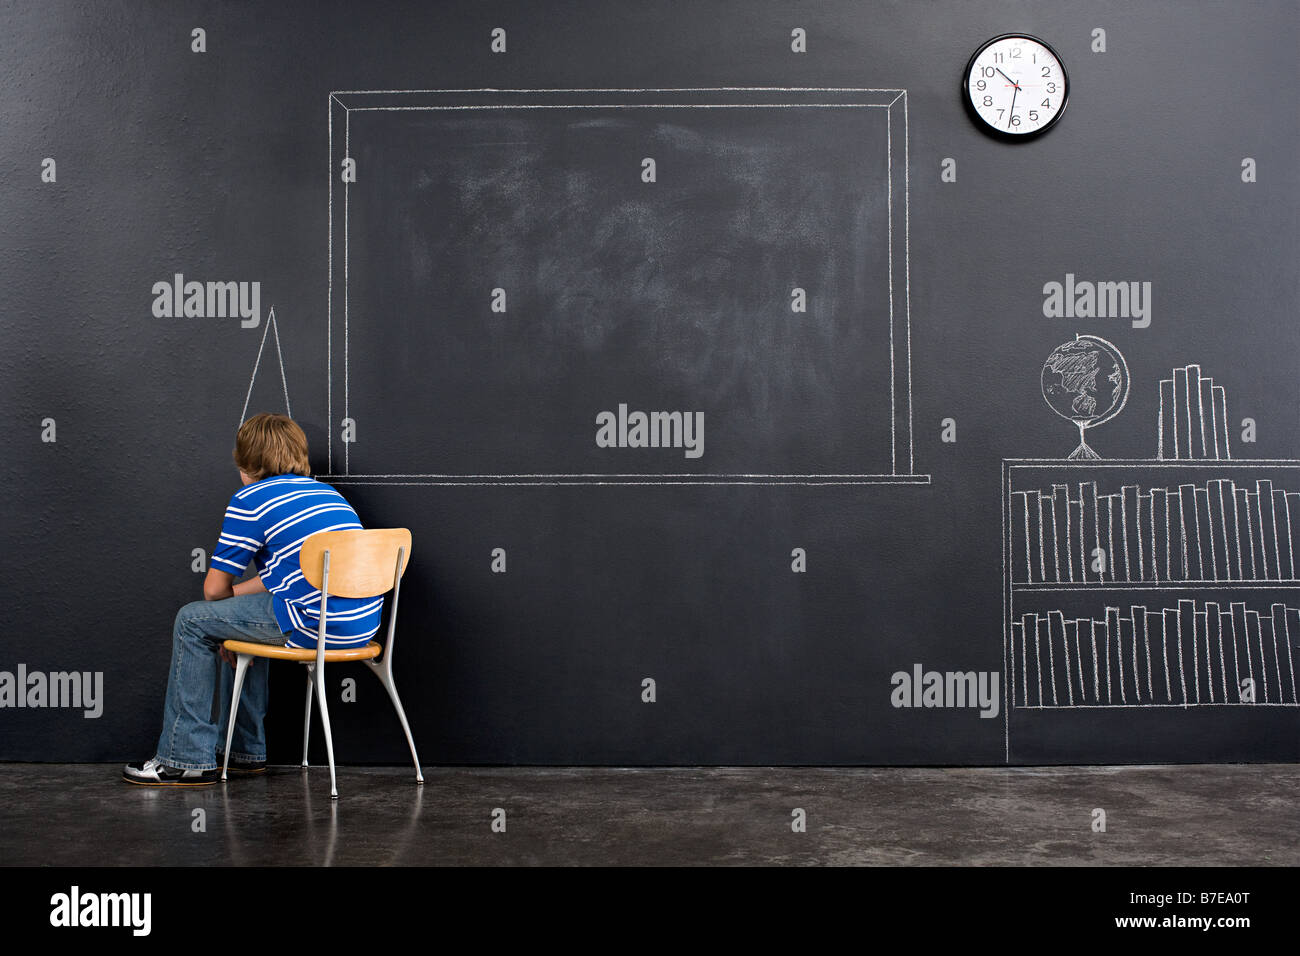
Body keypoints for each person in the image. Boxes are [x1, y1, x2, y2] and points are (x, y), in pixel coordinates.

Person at [123, 413, 382, 786]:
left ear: (248, 464)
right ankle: (243, 753)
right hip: (360, 626)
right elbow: (285, 579)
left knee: (192, 620)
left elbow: (213, 589)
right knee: (239, 622)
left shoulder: (252, 498)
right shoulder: (328, 494)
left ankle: (184, 759)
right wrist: (231, 615)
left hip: (309, 623)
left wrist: (221, 612)